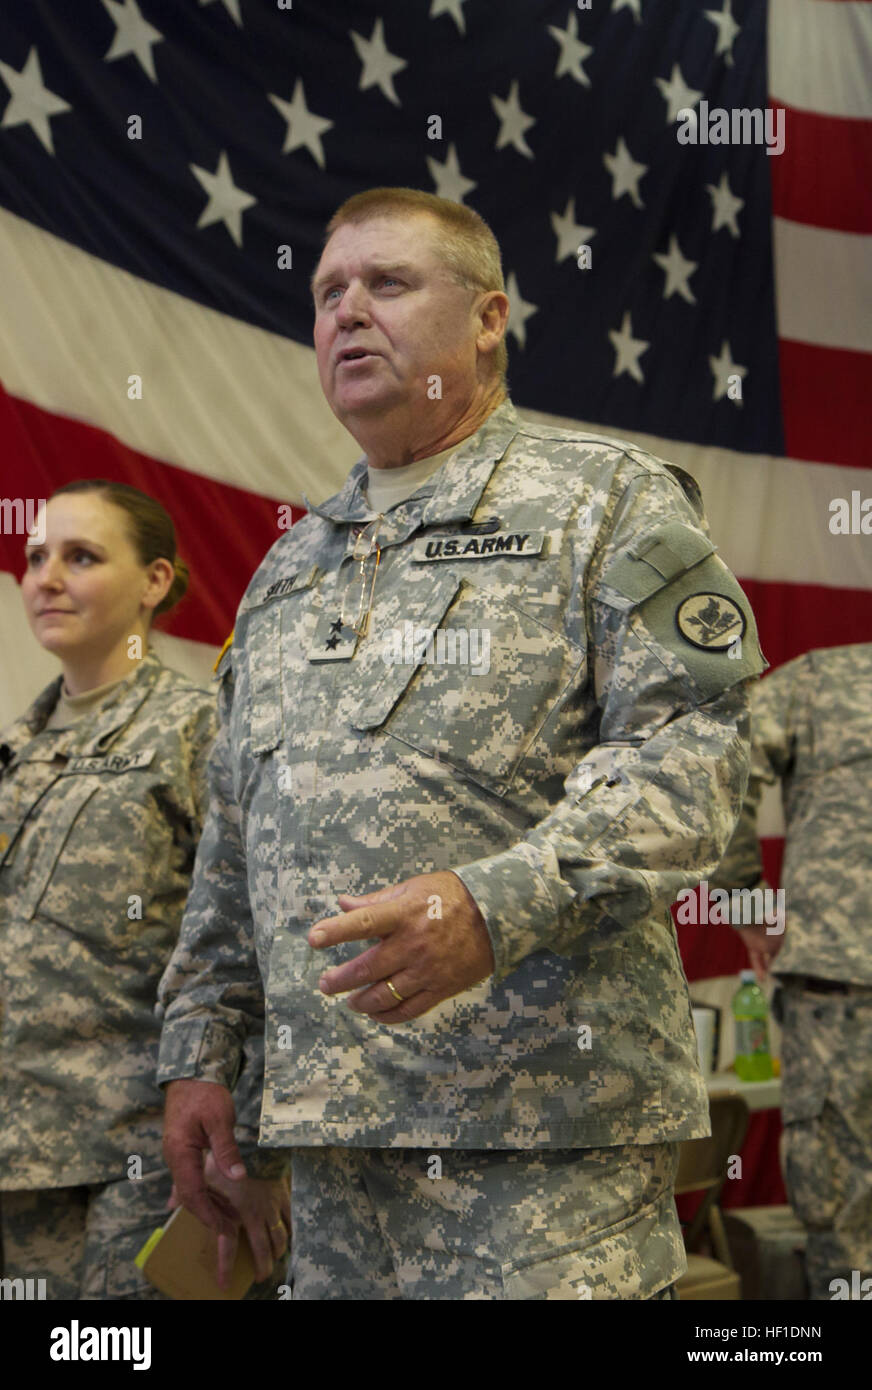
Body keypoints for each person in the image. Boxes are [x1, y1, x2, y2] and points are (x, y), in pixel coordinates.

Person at [158, 187, 766, 1300]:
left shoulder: (606, 501)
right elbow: (235, 844)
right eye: (326, 293)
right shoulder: (287, 570)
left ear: (488, 318)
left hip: (541, 1143)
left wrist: (497, 902)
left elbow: (701, 752)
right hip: (328, 1150)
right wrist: (201, 1056)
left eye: (387, 284)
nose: (347, 313)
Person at [0, 480, 289, 1299]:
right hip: (20, 1160)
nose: (45, 578)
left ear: (155, 581)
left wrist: (253, 1149)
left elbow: (263, 942)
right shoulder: (14, 754)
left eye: (80, 557)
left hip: (147, 1162)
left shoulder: (201, 731)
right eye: (33, 559)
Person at [710, 643, 872, 1301]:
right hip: (842, 983)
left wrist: (745, 900)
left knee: (846, 1226)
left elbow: (723, 764)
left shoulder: (824, 679)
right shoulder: (820, 680)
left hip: (839, 984)